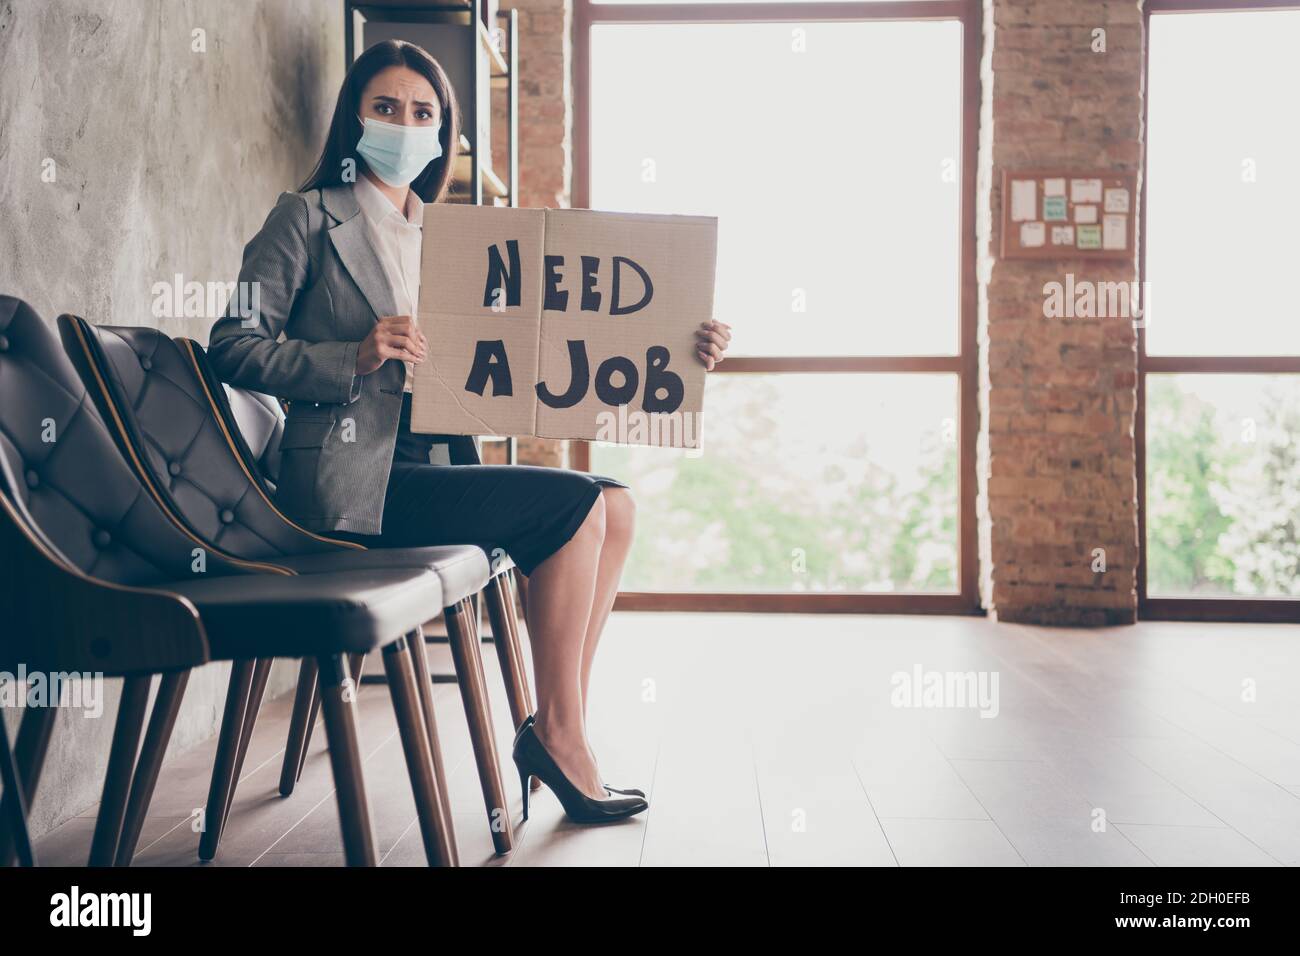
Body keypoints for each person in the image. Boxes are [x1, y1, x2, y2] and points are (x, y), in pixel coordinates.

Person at [207, 39, 730, 824]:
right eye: (385, 107)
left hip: (431, 458)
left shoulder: (454, 239)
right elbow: (231, 346)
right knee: (574, 506)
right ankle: (561, 739)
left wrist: (681, 342)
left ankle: (560, 730)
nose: (404, 125)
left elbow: (555, 336)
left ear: (444, 132)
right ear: (353, 116)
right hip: (354, 479)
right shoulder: (305, 217)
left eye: (424, 113)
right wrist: (352, 354)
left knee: (616, 506)